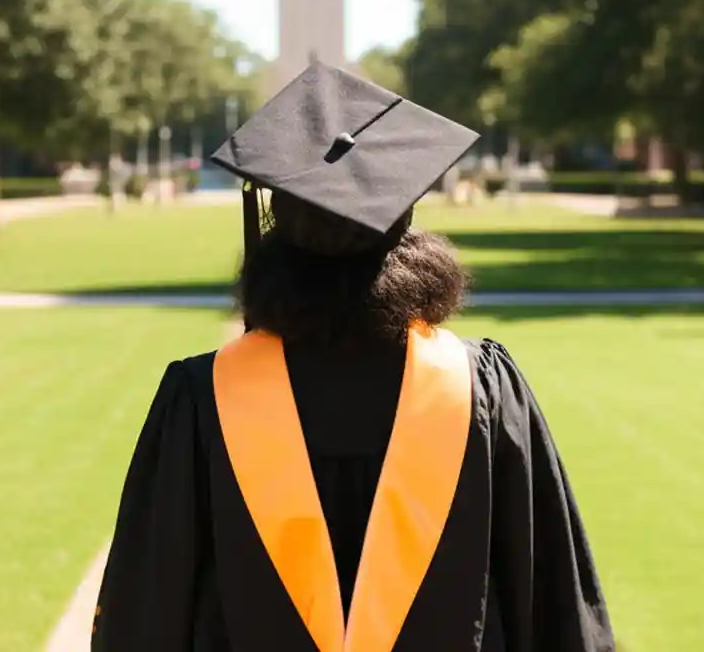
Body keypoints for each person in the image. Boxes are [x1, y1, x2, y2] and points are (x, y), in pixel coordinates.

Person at [92, 62, 613, 651]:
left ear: (276, 231)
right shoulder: (480, 389)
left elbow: (146, 615)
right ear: (405, 228)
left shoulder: (203, 397)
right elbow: (551, 603)